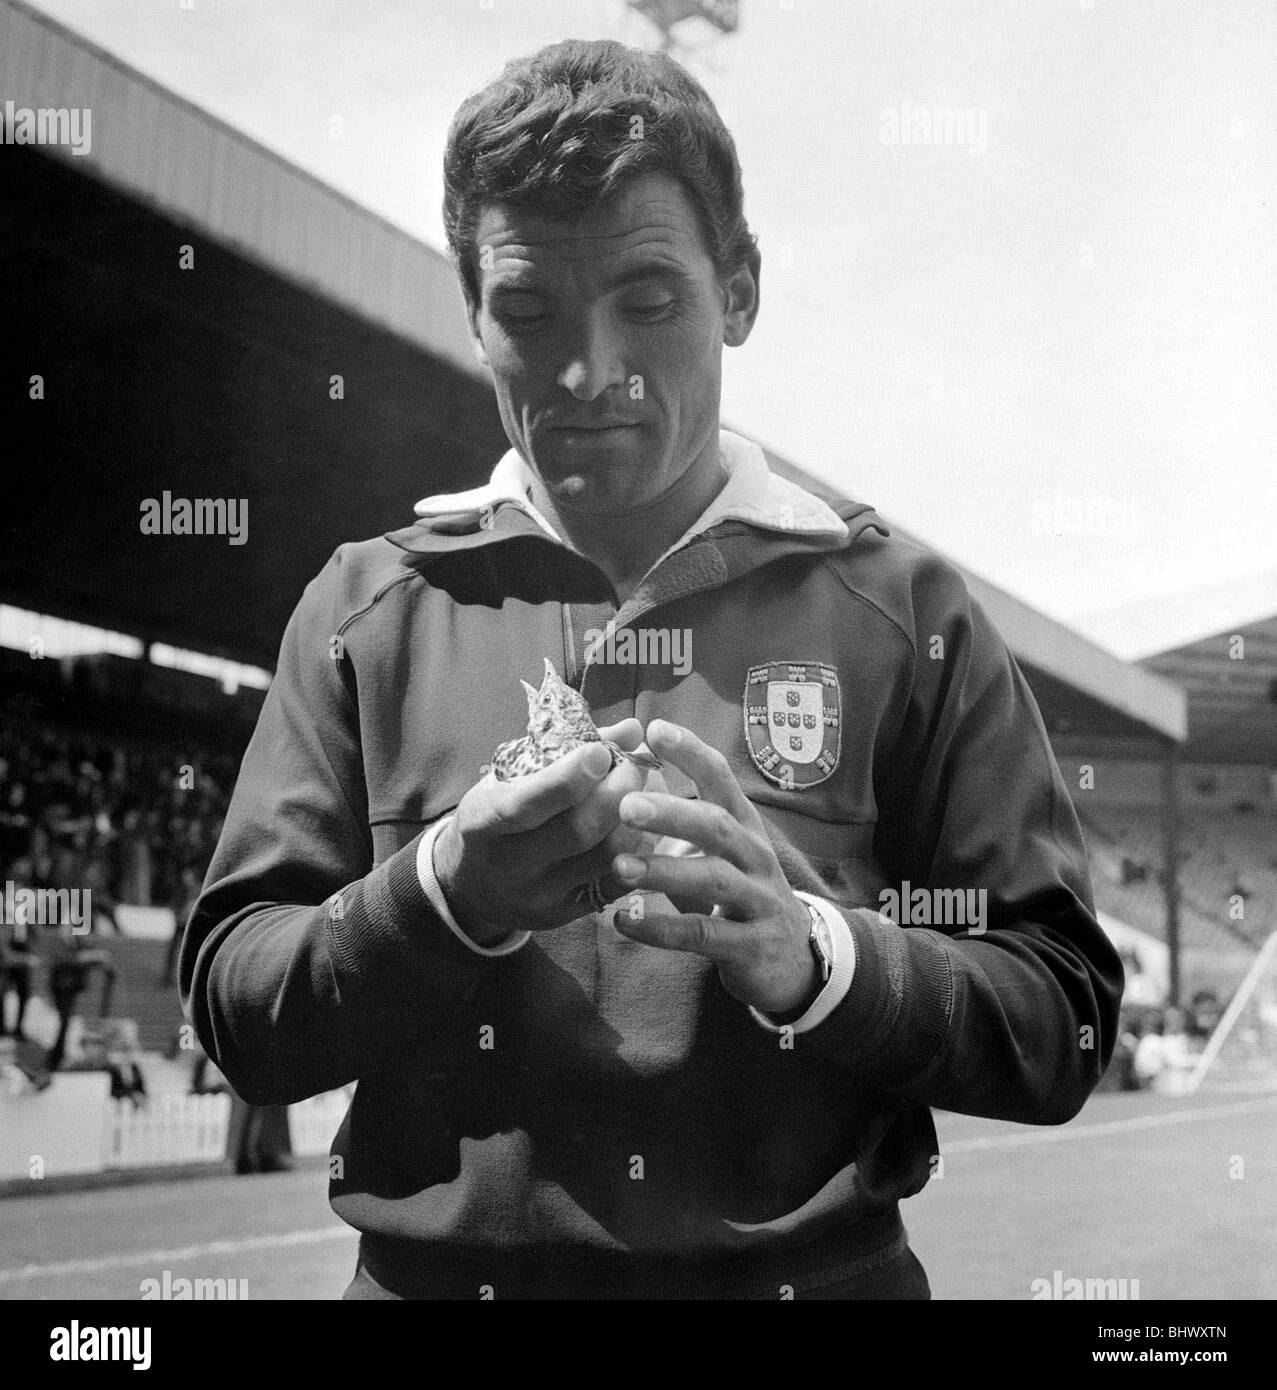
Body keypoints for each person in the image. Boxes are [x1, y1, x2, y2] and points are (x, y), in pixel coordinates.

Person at [183, 39, 1122, 1300]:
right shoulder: (366, 608)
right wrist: (439, 893)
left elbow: (1061, 1014)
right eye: (527, 313)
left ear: (736, 290)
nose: (588, 372)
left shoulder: (901, 609)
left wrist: (819, 958)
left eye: (648, 299)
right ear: (471, 314)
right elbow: (237, 1009)